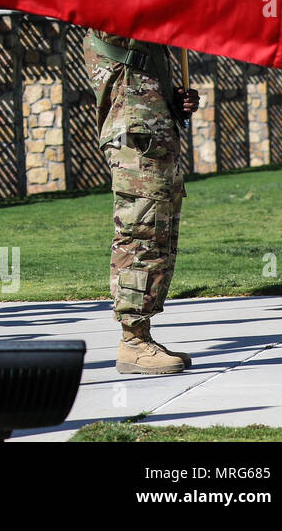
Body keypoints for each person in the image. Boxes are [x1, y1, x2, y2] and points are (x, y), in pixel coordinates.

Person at [85, 29, 200, 375]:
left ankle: (141, 335)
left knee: (156, 234)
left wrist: (177, 99)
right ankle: (133, 341)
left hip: (154, 138)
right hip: (137, 140)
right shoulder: (111, 17)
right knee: (140, 234)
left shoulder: (148, 34)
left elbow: (147, 84)